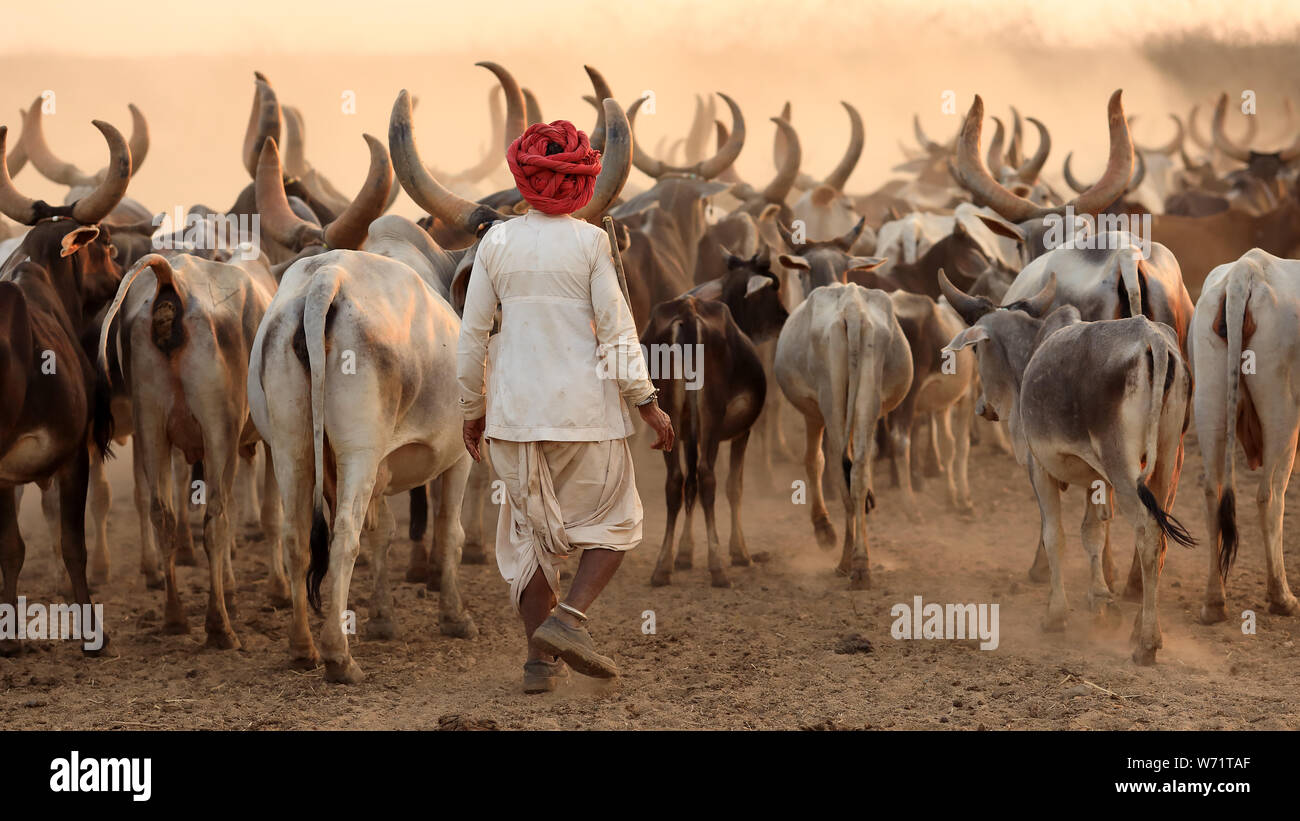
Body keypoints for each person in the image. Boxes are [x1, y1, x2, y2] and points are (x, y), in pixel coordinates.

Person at [457, 119, 674, 694]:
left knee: (525, 537)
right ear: (580, 184)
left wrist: (472, 409)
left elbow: (472, 334)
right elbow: (618, 330)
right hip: (586, 416)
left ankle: (537, 663)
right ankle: (569, 621)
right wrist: (647, 403)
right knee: (618, 522)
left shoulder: (494, 243)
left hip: (512, 418)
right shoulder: (591, 242)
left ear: (524, 179)